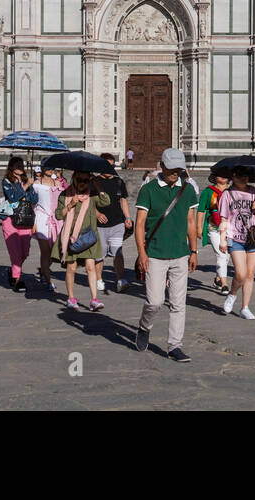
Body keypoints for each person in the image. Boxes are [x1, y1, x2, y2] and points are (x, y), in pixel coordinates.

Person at [133, 148, 198, 362]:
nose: (175, 172)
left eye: (179, 168)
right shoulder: (149, 190)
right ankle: (144, 327)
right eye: (172, 168)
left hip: (180, 253)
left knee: (179, 303)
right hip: (155, 254)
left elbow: (190, 222)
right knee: (155, 301)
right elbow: (140, 224)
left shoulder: (187, 190)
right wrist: (142, 253)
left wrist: (194, 251)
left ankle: (175, 346)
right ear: (162, 166)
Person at [54, 171, 109, 312]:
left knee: (91, 266)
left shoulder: (91, 195)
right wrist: (71, 204)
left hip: (88, 238)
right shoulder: (65, 194)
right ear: (74, 179)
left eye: (86, 180)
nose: (83, 183)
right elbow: (59, 214)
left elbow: (106, 201)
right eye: (80, 180)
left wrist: (97, 184)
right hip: (71, 237)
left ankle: (94, 299)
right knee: (71, 268)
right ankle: (71, 298)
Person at [218, 166, 255, 320]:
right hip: (234, 237)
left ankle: (245, 307)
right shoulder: (227, 194)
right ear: (233, 176)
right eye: (240, 175)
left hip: (253, 237)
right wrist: (222, 240)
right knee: (241, 273)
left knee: (250, 274)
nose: (244, 178)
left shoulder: (254, 192)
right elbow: (224, 218)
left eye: (246, 175)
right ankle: (232, 294)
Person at [93, 163, 132, 293]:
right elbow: (88, 201)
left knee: (118, 251)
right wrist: (97, 214)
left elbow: (123, 200)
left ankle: (120, 279)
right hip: (99, 225)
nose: (110, 168)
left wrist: (127, 217)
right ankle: (99, 280)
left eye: (112, 165)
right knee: (100, 253)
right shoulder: (94, 182)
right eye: (107, 165)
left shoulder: (118, 181)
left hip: (117, 223)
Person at [0, 157, 36, 290]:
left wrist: (28, 187)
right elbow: (12, 197)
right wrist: (25, 188)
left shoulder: (27, 180)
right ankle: (17, 280)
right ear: (11, 167)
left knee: (25, 252)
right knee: (15, 251)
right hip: (10, 219)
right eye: (17, 166)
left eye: (21, 165)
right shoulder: (7, 181)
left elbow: (34, 198)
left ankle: (13, 271)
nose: (20, 168)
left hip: (25, 219)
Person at [197, 168, 232, 295]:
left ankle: (218, 279)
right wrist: (199, 227)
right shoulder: (208, 192)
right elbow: (201, 210)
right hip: (213, 228)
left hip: (229, 228)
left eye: (225, 175)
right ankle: (224, 284)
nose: (223, 177)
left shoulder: (232, 191)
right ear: (214, 176)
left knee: (227, 255)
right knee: (222, 254)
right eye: (220, 175)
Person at [31, 167, 66, 291]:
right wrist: (33, 222)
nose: (51, 170)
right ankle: (48, 280)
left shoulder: (58, 182)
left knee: (55, 252)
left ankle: (43, 270)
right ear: (42, 167)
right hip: (41, 219)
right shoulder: (36, 183)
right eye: (48, 167)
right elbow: (32, 203)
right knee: (45, 252)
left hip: (56, 220)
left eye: (53, 168)